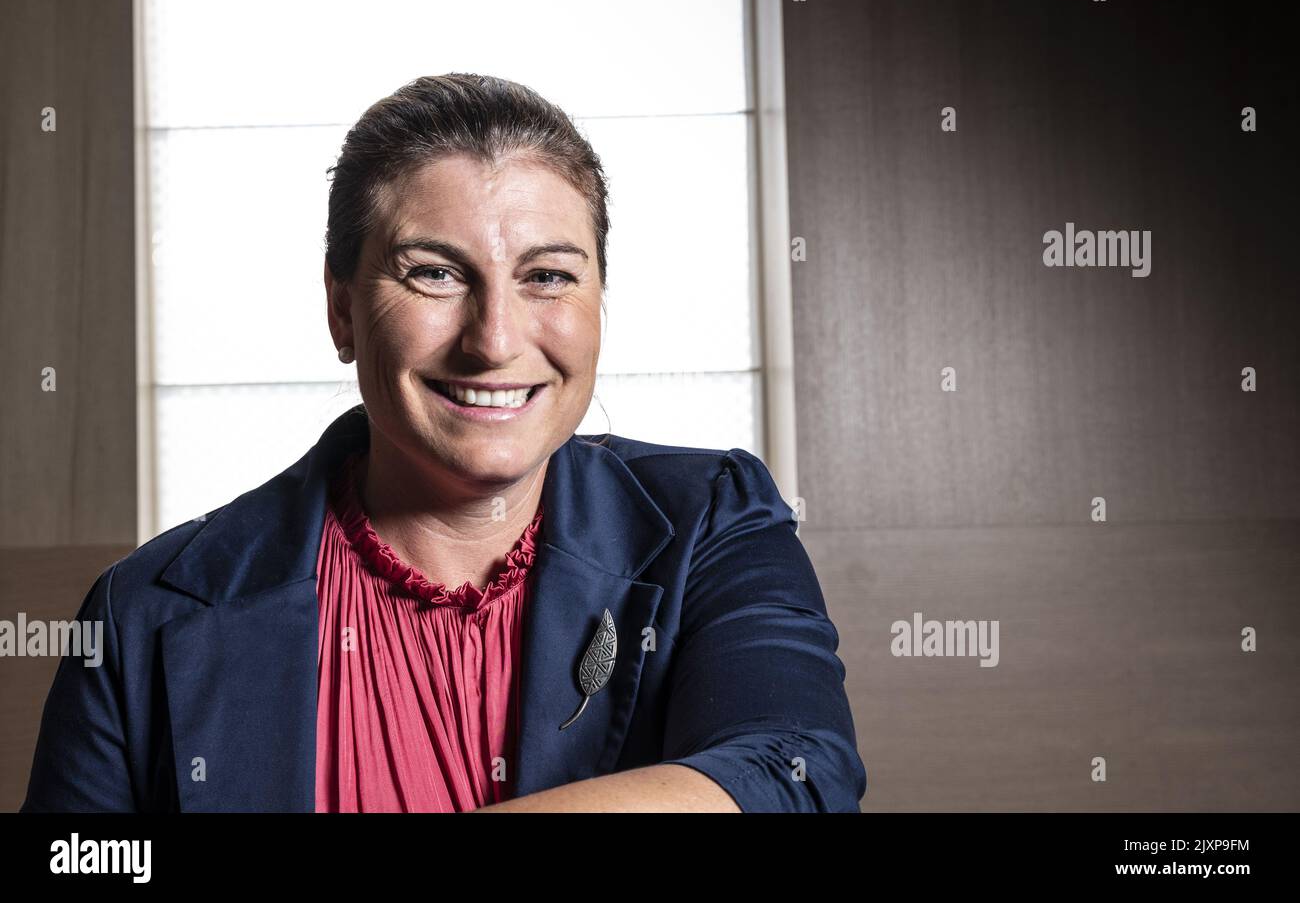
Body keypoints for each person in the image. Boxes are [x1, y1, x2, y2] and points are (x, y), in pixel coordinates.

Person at [21, 73, 866, 813]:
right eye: (435, 272)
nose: (494, 339)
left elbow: (796, 778)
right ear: (342, 309)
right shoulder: (145, 611)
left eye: (547, 276)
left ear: (599, 300)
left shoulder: (712, 522)